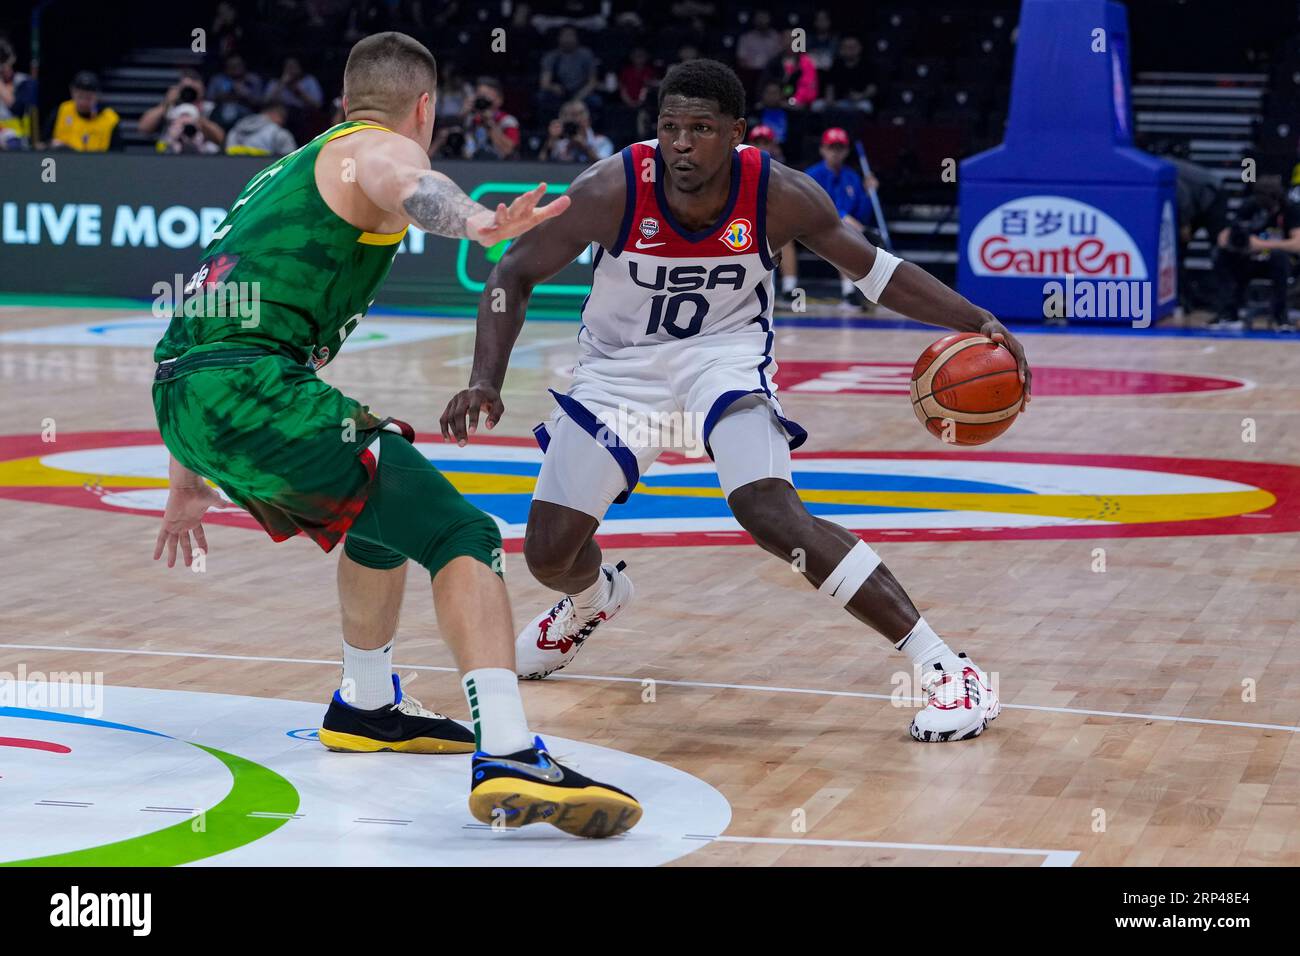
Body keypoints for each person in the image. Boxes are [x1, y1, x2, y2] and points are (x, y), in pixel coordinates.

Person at [441, 59, 1031, 744]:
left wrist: (974, 318)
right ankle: (593, 599)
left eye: (701, 129)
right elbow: (511, 272)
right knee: (547, 554)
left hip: (722, 359)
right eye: (670, 128)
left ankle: (946, 667)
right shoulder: (611, 189)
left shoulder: (780, 194)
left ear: (737, 133)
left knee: (767, 508)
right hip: (619, 372)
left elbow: (874, 273)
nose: (682, 144)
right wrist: (486, 377)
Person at [151, 31, 642, 838]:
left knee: (377, 512)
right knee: (461, 530)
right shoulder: (373, 149)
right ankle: (510, 750)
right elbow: (410, 182)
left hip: (188, 390)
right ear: (426, 107)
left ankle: (367, 702)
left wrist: (184, 476)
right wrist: (481, 222)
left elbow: (205, 314)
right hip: (250, 385)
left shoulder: (277, 173)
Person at [805, 127, 879, 308]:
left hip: (845, 231)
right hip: (812, 230)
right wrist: (843, 217)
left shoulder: (852, 177)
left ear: (846, 151)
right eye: (831, 147)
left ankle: (856, 293)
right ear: (822, 149)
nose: (835, 153)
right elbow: (812, 209)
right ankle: (849, 293)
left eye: (839, 148)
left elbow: (862, 215)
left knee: (849, 234)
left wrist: (869, 193)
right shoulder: (811, 175)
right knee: (846, 231)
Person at [1211, 177, 1299, 332]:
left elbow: (1297, 244)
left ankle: (1281, 317)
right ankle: (1228, 314)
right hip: (1249, 260)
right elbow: (1224, 236)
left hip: (1279, 264)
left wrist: (1261, 245)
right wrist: (1233, 241)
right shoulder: (1249, 205)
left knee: (1279, 257)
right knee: (1220, 255)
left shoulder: (1290, 208)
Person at [138, 68, 225, 148]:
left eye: (193, 90)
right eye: (186, 89)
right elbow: (143, 128)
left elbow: (221, 138)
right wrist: (166, 103)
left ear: (202, 90)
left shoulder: (209, 108)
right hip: (170, 156)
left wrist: (198, 117)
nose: (189, 93)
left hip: (203, 157)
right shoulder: (169, 108)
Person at [50, 71, 120, 152]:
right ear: (72, 92)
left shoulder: (110, 119)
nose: (83, 102)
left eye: (88, 98)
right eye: (80, 96)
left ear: (97, 96)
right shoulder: (62, 110)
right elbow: (42, 143)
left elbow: (118, 153)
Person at [540, 99, 613, 164]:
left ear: (587, 118)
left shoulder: (602, 141)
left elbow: (603, 168)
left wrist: (585, 147)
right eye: (567, 115)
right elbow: (540, 167)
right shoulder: (557, 141)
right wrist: (551, 139)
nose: (574, 120)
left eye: (578, 114)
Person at [225, 102, 297, 156]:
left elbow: (227, 152)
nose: (282, 122)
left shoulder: (237, 128)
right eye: (282, 118)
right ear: (275, 114)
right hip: (266, 174)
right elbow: (291, 161)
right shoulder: (279, 133)